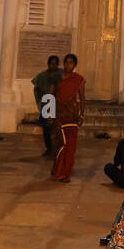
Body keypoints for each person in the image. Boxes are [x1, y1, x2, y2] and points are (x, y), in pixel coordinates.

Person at [51, 54, 85, 183]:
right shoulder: (56, 78)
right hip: (58, 114)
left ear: (75, 65)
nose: (67, 65)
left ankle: (66, 174)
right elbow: (50, 96)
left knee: (70, 146)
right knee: (58, 144)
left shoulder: (79, 79)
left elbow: (82, 98)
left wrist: (82, 114)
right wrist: (48, 114)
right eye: (66, 62)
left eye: (70, 63)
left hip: (72, 115)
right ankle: (57, 171)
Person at [32, 56, 61, 156]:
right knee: (46, 128)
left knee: (55, 127)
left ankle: (56, 148)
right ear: (48, 64)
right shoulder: (43, 75)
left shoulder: (60, 75)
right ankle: (49, 149)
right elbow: (37, 88)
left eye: (55, 63)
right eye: (51, 63)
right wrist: (42, 100)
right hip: (47, 103)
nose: (53, 66)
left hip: (57, 103)